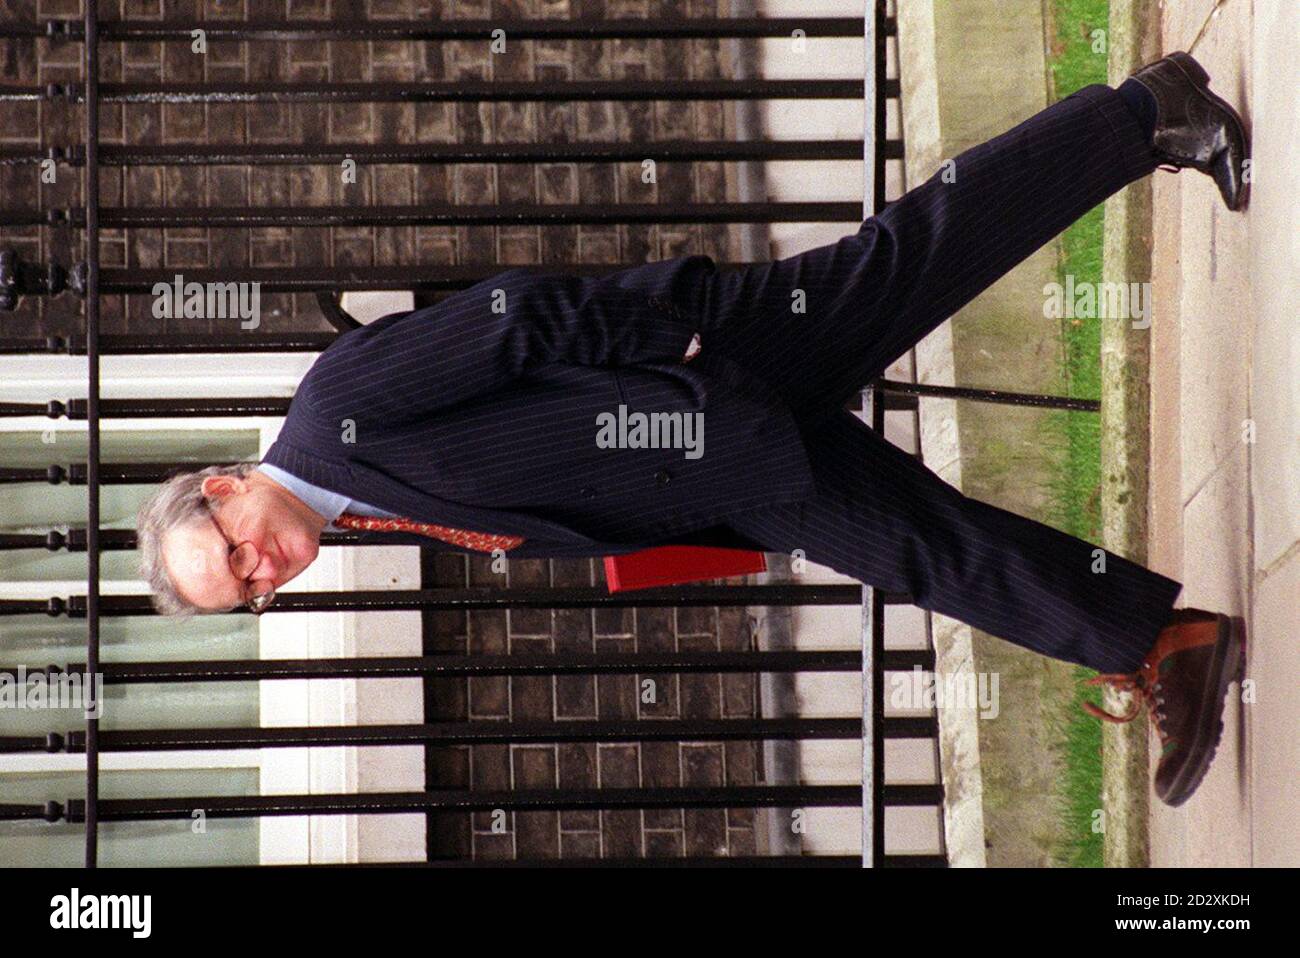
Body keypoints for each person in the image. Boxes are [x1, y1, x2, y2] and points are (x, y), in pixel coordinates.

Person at [137, 51, 1249, 807]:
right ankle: (1160, 641)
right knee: (914, 519)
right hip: (709, 457)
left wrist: (673, 348)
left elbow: (512, 316)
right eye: (251, 589)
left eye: (234, 550)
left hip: (705, 372)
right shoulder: (345, 502)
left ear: (227, 487)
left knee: (913, 275)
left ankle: (1145, 114)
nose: (263, 566)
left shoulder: (335, 413)